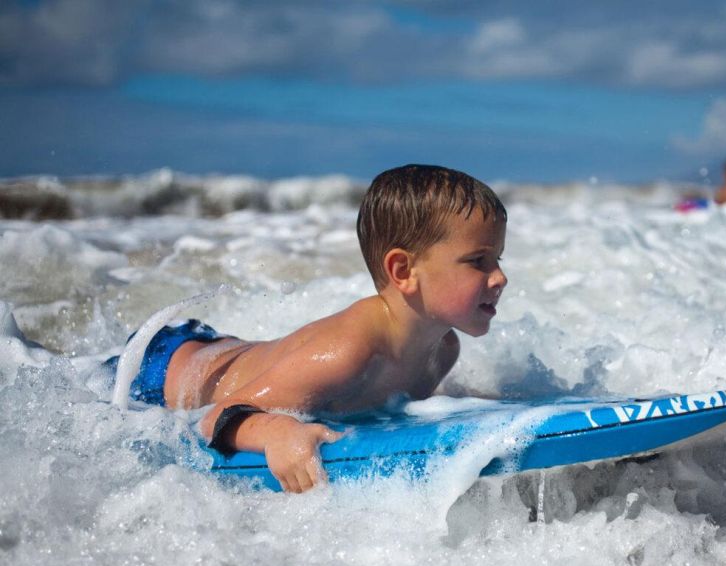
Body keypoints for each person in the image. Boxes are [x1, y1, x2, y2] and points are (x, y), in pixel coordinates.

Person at [110, 165, 508, 493]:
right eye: (479, 261)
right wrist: (276, 431)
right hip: (162, 369)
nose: (500, 278)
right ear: (403, 271)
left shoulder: (443, 349)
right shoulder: (346, 352)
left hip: (228, 352)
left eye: (499, 259)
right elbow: (215, 419)